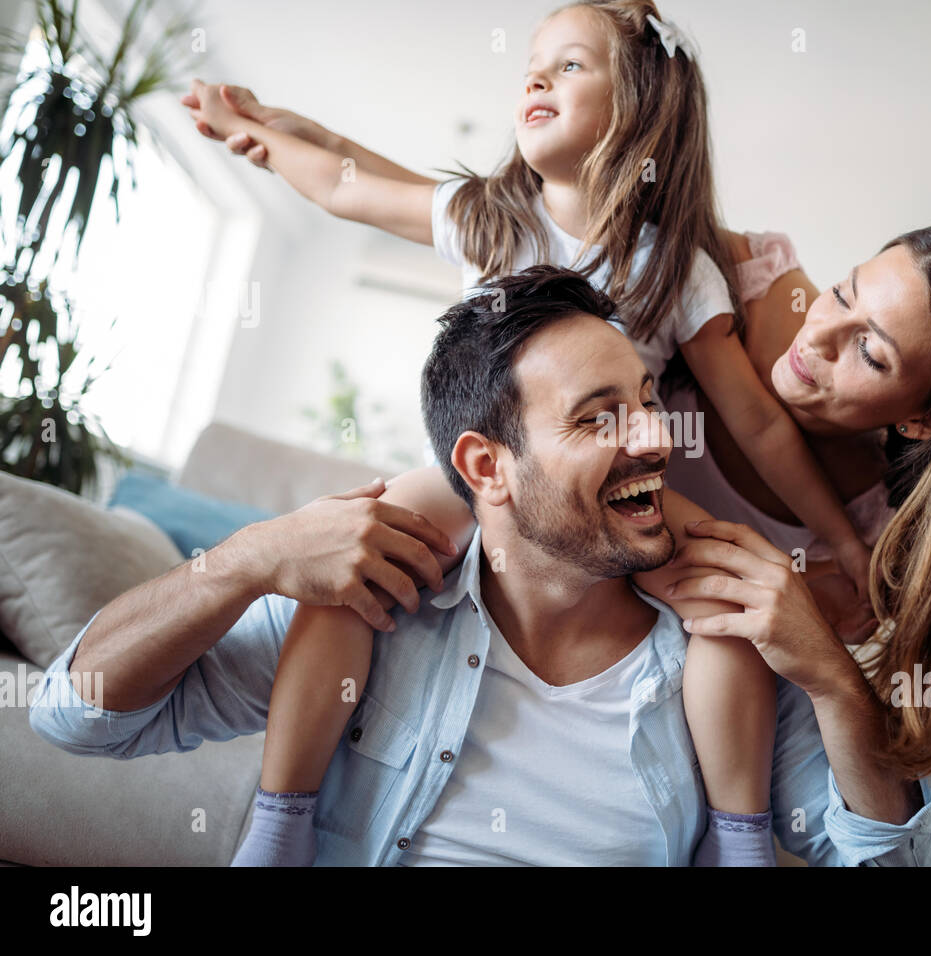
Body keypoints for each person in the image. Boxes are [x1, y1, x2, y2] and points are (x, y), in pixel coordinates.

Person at [179, 0, 873, 864]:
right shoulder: (488, 215)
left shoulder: (678, 265)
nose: (536, 76)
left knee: (726, 613)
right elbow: (345, 185)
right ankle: (281, 822)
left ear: (637, 111)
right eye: (532, 65)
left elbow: (759, 422)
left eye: (571, 65)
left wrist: (843, 541)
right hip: (474, 472)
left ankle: (738, 841)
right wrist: (265, 134)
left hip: (611, 492)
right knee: (352, 575)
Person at [29, 267, 931, 867]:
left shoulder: (727, 654)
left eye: (644, 400)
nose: (656, 436)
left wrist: (831, 676)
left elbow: (901, 866)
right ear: (484, 468)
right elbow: (77, 719)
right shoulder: (373, 610)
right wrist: (243, 561)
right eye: (598, 417)